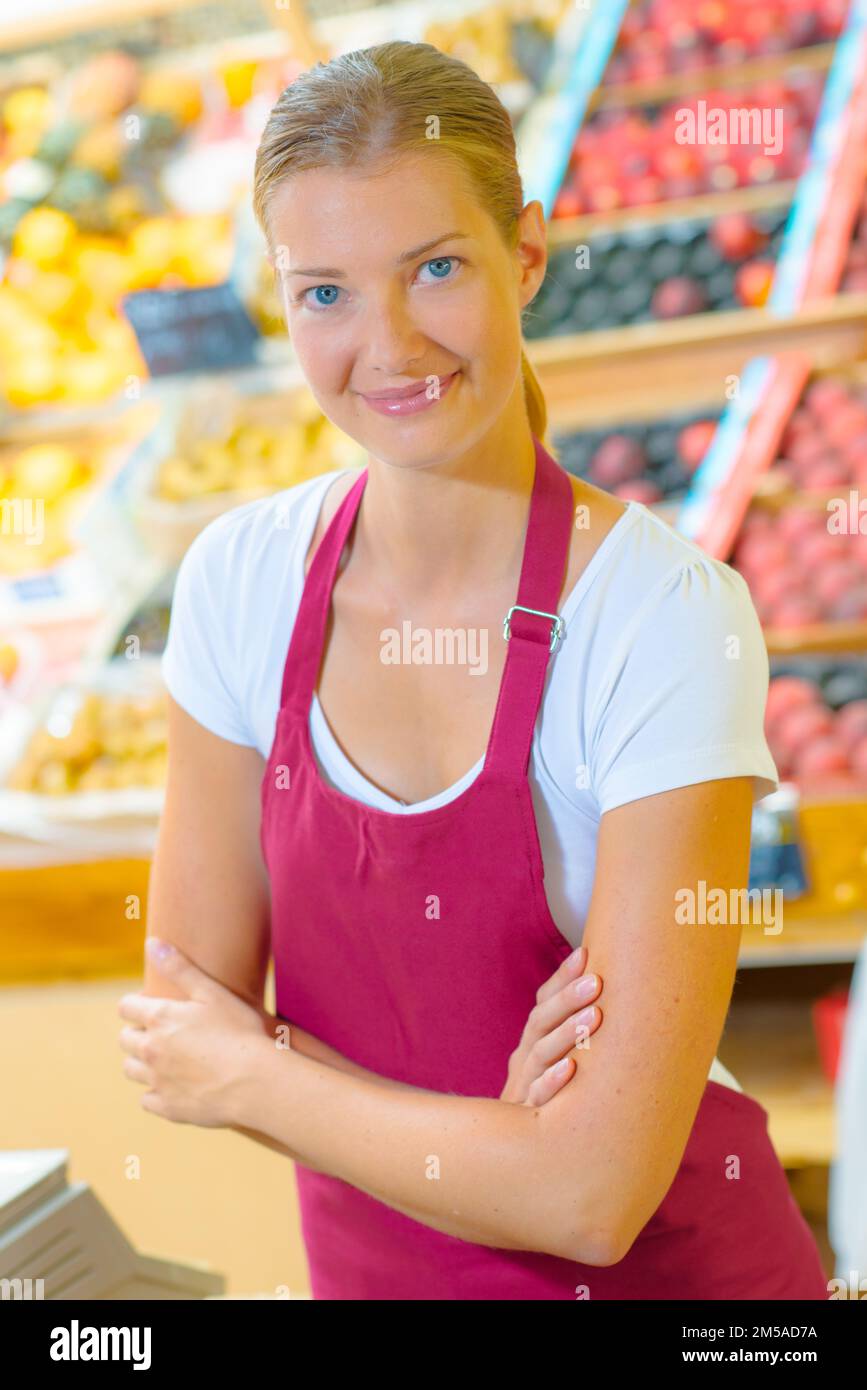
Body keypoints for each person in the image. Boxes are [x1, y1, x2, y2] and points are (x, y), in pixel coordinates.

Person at [118, 40, 829, 1300]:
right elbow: (183, 1035)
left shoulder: (660, 618)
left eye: (435, 268)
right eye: (324, 293)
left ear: (530, 254)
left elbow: (593, 1197)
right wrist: (500, 1140)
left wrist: (264, 1071)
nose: (388, 345)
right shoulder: (239, 585)